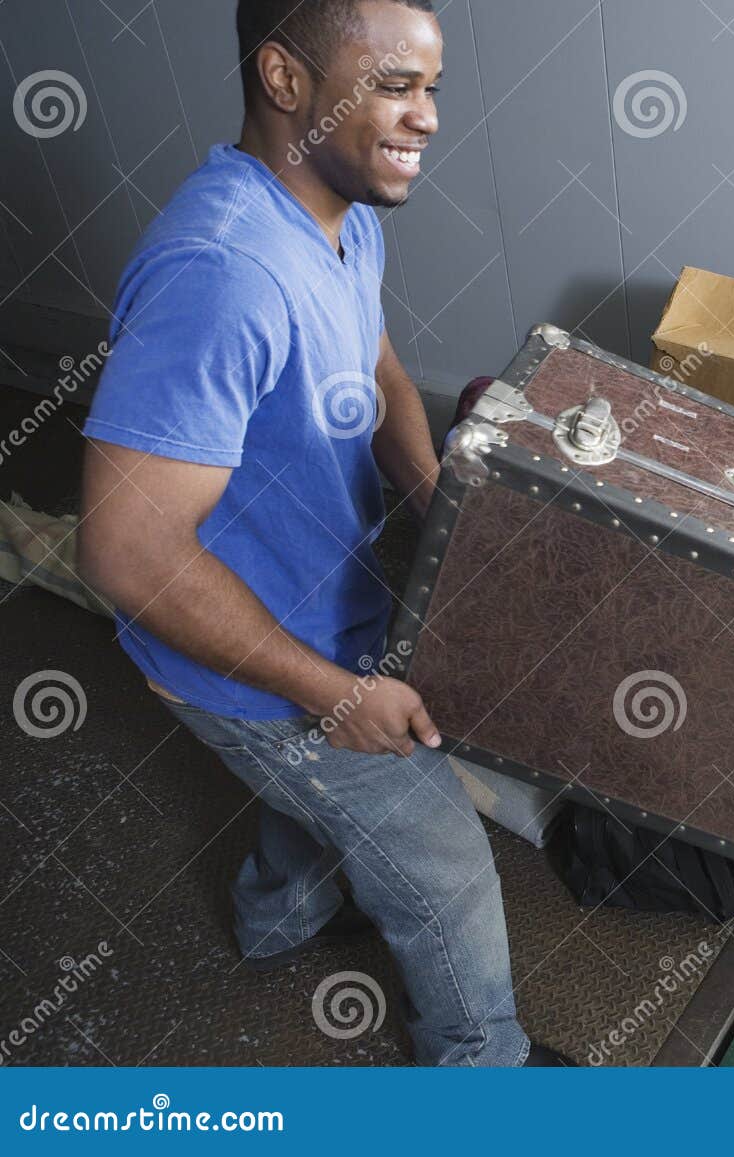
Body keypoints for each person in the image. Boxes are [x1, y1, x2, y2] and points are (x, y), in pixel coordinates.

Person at [77, 0, 567, 1066]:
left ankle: (276, 917)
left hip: (329, 600)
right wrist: (331, 694)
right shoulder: (222, 275)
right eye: (394, 82)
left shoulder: (340, 212)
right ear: (285, 80)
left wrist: (436, 500)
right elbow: (122, 552)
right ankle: (485, 1066)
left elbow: (383, 370)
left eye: (432, 87)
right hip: (258, 659)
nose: (426, 115)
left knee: (318, 799)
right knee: (443, 863)